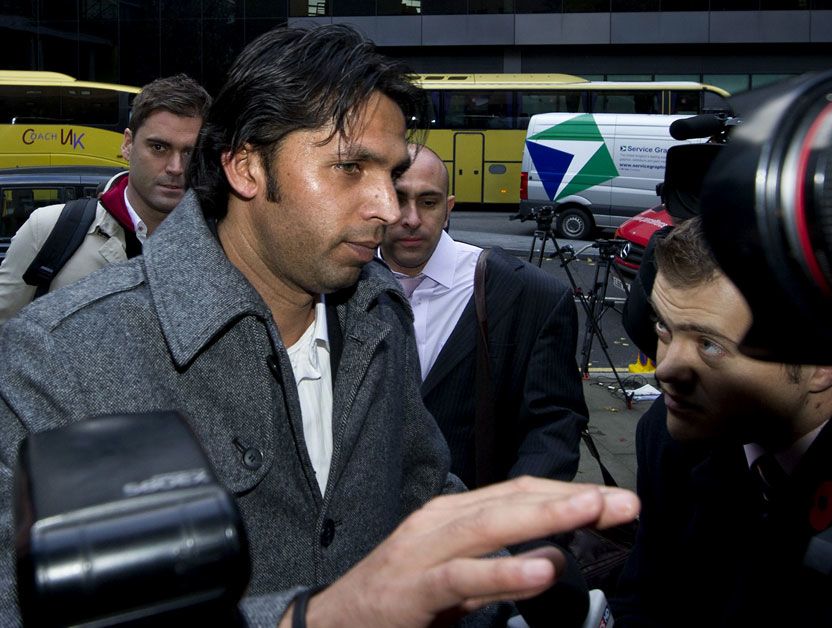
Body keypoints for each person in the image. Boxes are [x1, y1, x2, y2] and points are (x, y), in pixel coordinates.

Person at [0, 25, 639, 627]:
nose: (388, 208)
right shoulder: (59, 360)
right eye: (349, 168)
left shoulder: (379, 311)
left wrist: (505, 576)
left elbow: (415, 484)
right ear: (247, 166)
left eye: (390, 174)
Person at [610, 217, 832, 627]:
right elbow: (645, 596)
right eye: (664, 327)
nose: (665, 369)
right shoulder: (666, 434)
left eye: (709, 345)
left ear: (823, 361)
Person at [379, 144, 586, 489]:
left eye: (428, 203)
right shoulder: (332, 285)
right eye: (398, 199)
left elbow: (553, 427)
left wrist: (512, 528)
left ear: (448, 210)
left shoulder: (530, 295)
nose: (412, 219)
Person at [0, 73, 210, 323]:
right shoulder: (47, 230)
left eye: (189, 152)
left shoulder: (222, 245)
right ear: (128, 145)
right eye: (158, 148)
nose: (176, 167)